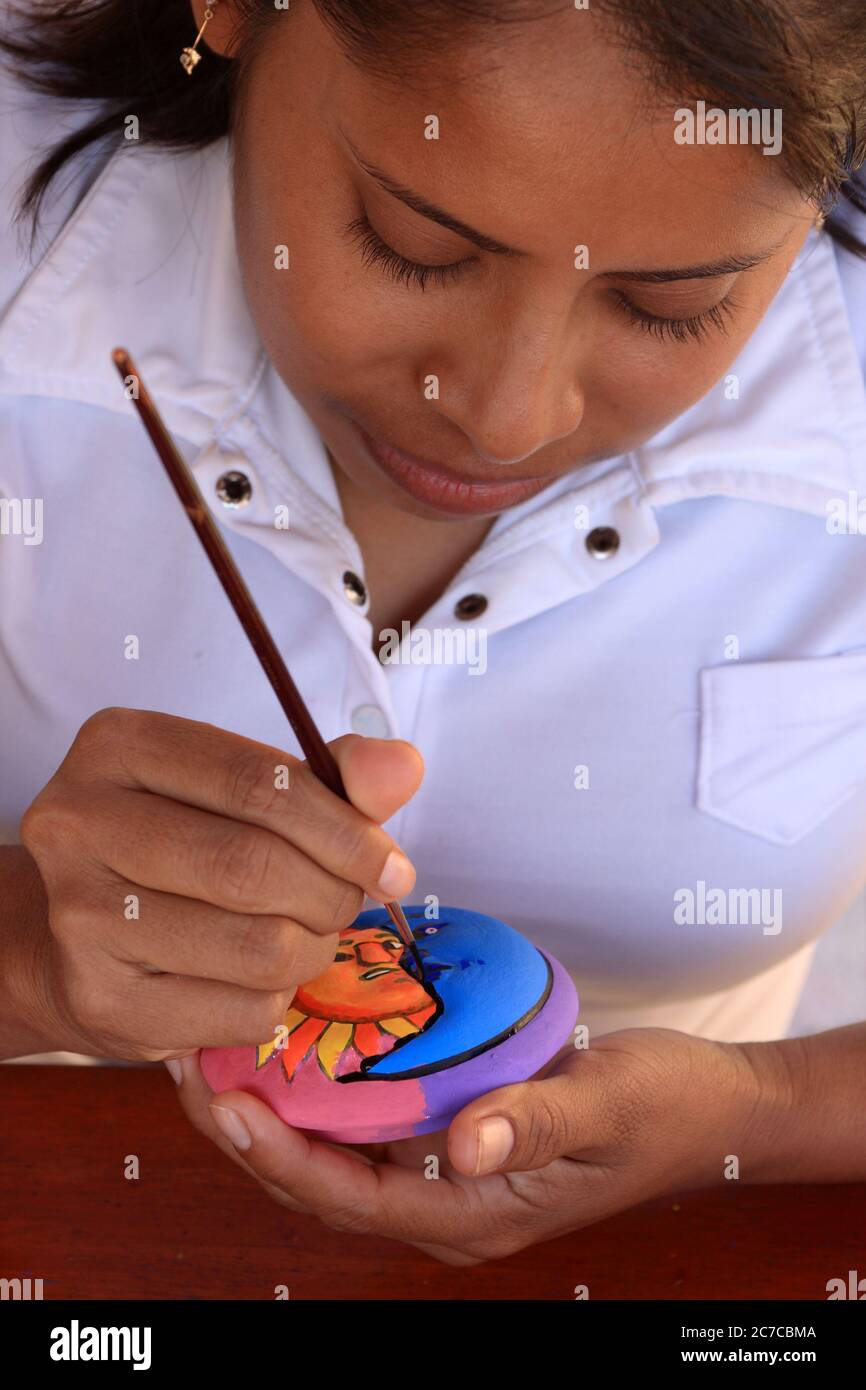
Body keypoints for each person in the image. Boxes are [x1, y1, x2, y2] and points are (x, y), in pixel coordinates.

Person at [0, 0, 864, 1266]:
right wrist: (23, 954)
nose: (506, 418)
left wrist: (765, 1110)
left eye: (671, 303)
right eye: (413, 244)